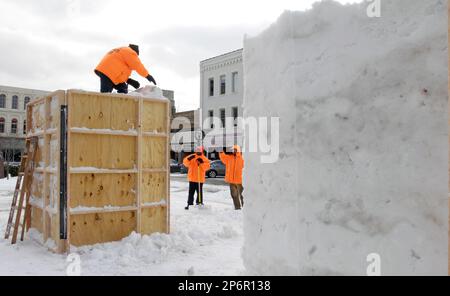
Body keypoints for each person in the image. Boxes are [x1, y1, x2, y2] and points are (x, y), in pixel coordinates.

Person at [220, 145, 245, 210]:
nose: (234, 151)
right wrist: (220, 150)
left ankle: (245, 207)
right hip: (231, 181)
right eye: (233, 150)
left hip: (240, 181)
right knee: (234, 195)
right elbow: (222, 157)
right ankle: (237, 207)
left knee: (243, 195)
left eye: (235, 150)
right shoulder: (229, 157)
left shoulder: (242, 158)